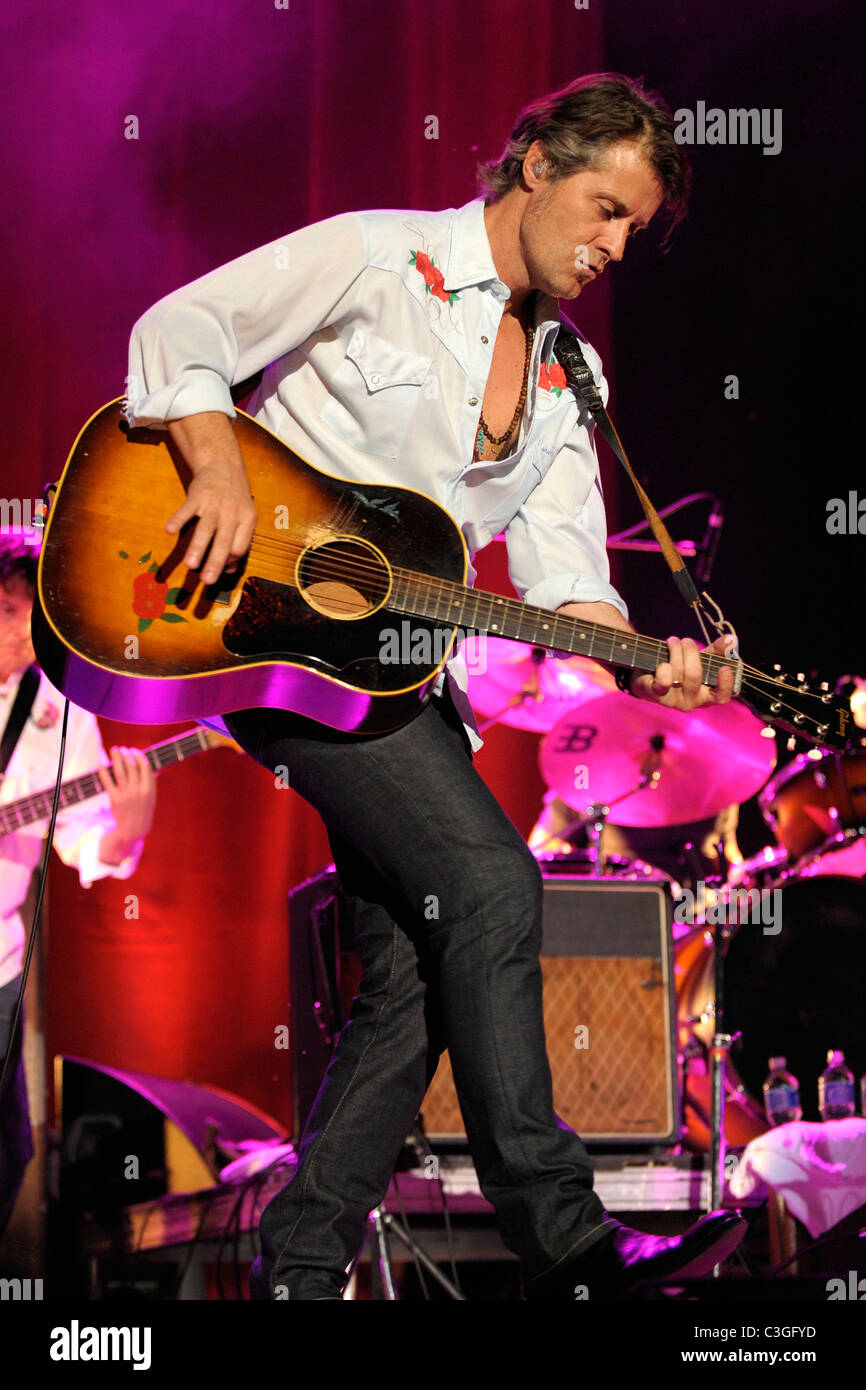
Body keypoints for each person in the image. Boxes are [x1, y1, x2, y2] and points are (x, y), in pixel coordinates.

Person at [125, 73, 746, 1300]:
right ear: (532, 167)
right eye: (602, 208)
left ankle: (294, 1267)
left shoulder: (575, 382)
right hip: (272, 645)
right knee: (486, 881)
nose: (612, 245)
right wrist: (218, 464)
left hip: (399, 681)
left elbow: (569, 589)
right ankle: (565, 1240)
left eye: (632, 226)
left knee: (413, 966)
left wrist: (646, 671)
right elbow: (177, 331)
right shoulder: (373, 259)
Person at [0, 533, 157, 1240]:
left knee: (9, 1155)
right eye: (6, 614)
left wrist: (129, 826)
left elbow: (84, 842)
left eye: (31, 621)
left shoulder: (59, 708)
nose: (19, 639)